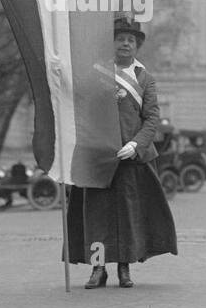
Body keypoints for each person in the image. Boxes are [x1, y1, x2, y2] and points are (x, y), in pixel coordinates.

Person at [66, 17, 177, 288]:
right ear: (112, 44)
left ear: (137, 47)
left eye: (130, 40)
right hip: (99, 159)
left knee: (129, 216)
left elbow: (151, 118)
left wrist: (135, 145)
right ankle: (98, 268)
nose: (125, 44)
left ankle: (124, 269)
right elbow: (80, 105)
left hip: (131, 160)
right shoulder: (96, 74)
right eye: (120, 39)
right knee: (97, 218)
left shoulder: (144, 78)